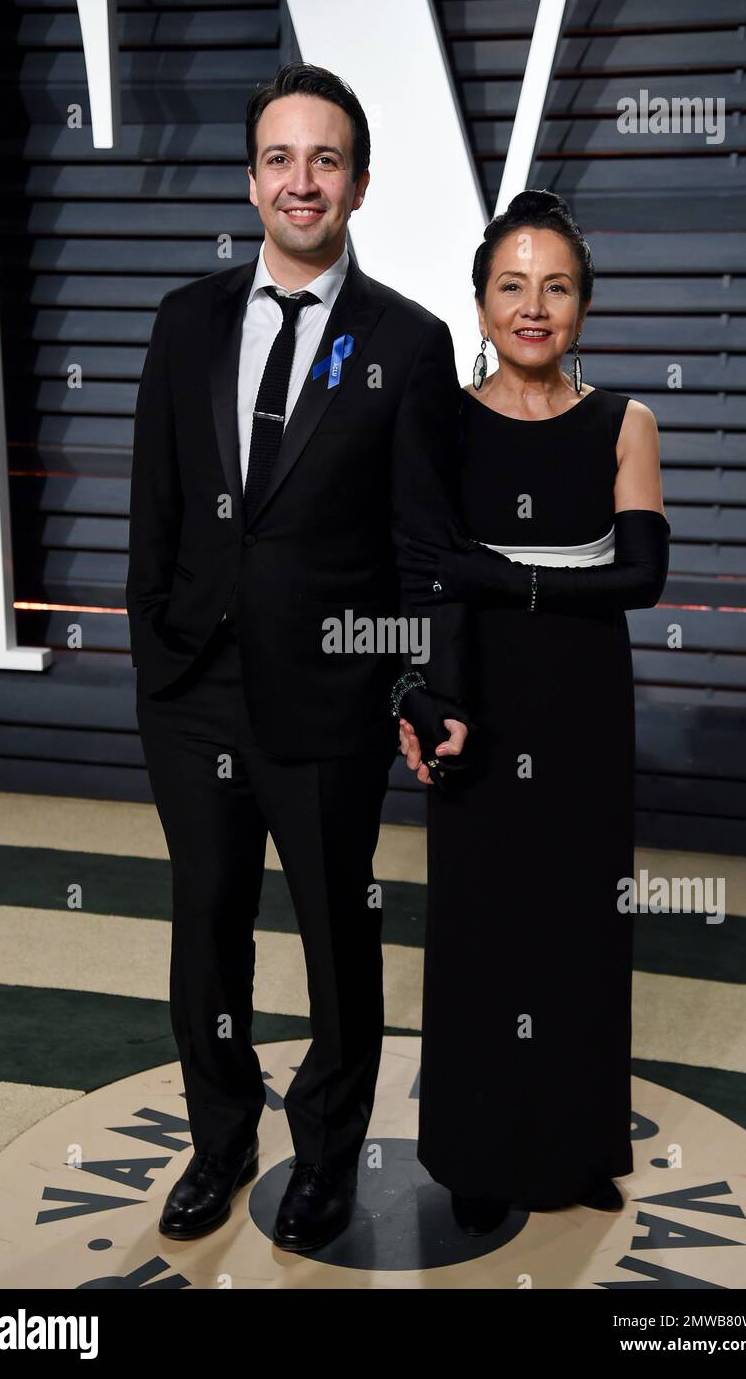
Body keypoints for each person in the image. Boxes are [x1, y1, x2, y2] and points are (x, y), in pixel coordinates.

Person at [126, 63, 469, 1253]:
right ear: (252, 178)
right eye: (281, 157)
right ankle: (219, 1142)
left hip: (329, 699)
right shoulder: (184, 321)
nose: (301, 179)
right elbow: (155, 512)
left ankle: (326, 1155)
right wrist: (155, 661)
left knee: (338, 940)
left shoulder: (410, 344)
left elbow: (422, 550)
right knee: (205, 928)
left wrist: (415, 682)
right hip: (193, 693)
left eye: (326, 159)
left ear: (359, 184)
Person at [397, 190, 670, 1233]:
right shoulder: (444, 426)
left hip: (587, 699)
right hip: (480, 697)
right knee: (481, 926)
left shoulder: (624, 421)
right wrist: (426, 695)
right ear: (478, 304)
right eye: (511, 285)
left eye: (556, 286)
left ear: (585, 307)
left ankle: (579, 1141)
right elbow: (426, 575)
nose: (533, 305)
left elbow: (641, 576)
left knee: (582, 922)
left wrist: (504, 576)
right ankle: (477, 1150)